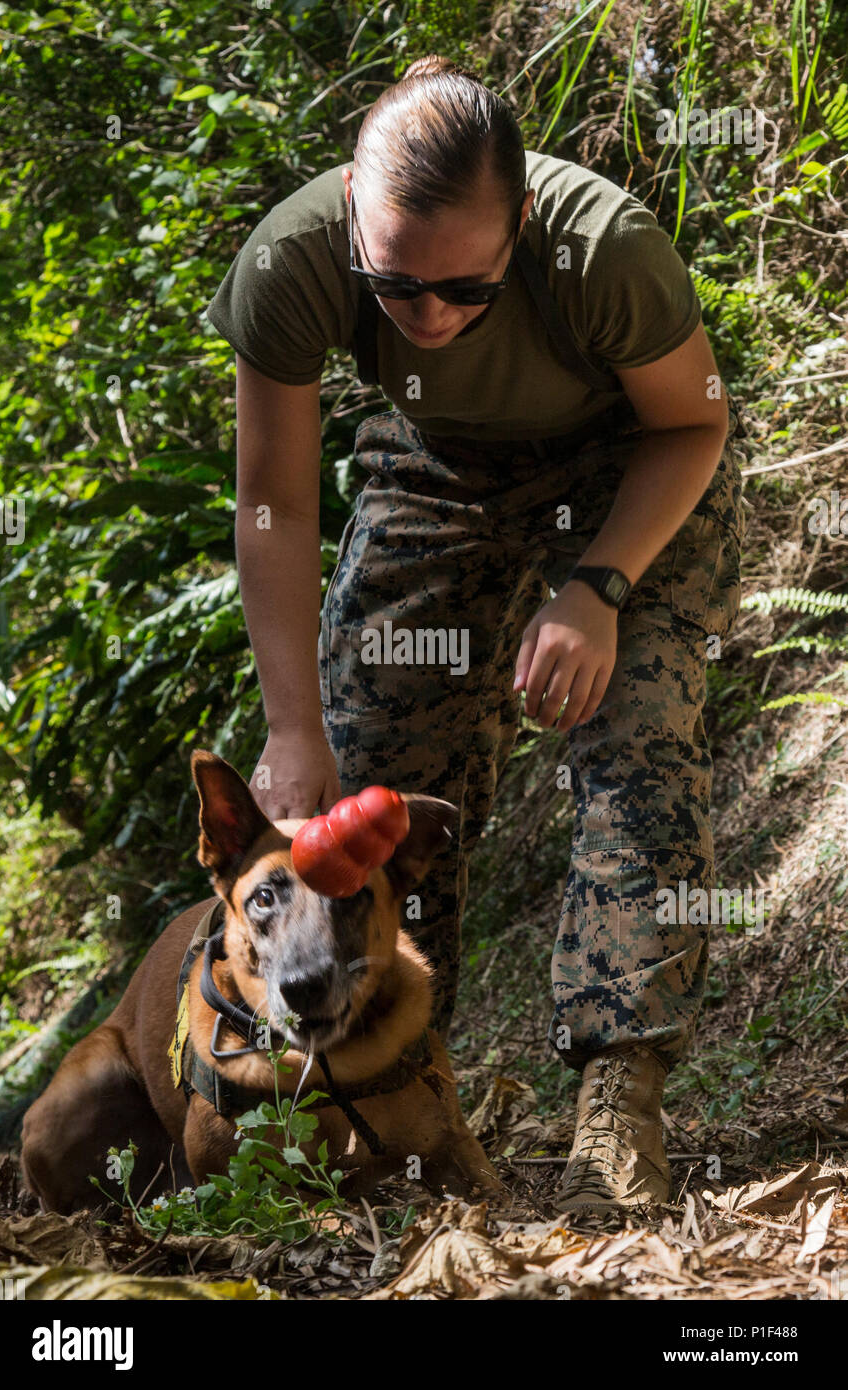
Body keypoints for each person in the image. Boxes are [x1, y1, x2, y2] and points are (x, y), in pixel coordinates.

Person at [206, 54, 746, 1210]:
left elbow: (693, 428)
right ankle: (398, 1091)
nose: (431, 317)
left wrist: (595, 586)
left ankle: (618, 1099)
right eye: (397, 289)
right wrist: (293, 730)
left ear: (526, 226)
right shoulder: (289, 263)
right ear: (352, 207)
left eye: (468, 291)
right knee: (366, 793)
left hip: (624, 464)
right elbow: (275, 503)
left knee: (634, 743)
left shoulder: (603, 250)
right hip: (437, 467)